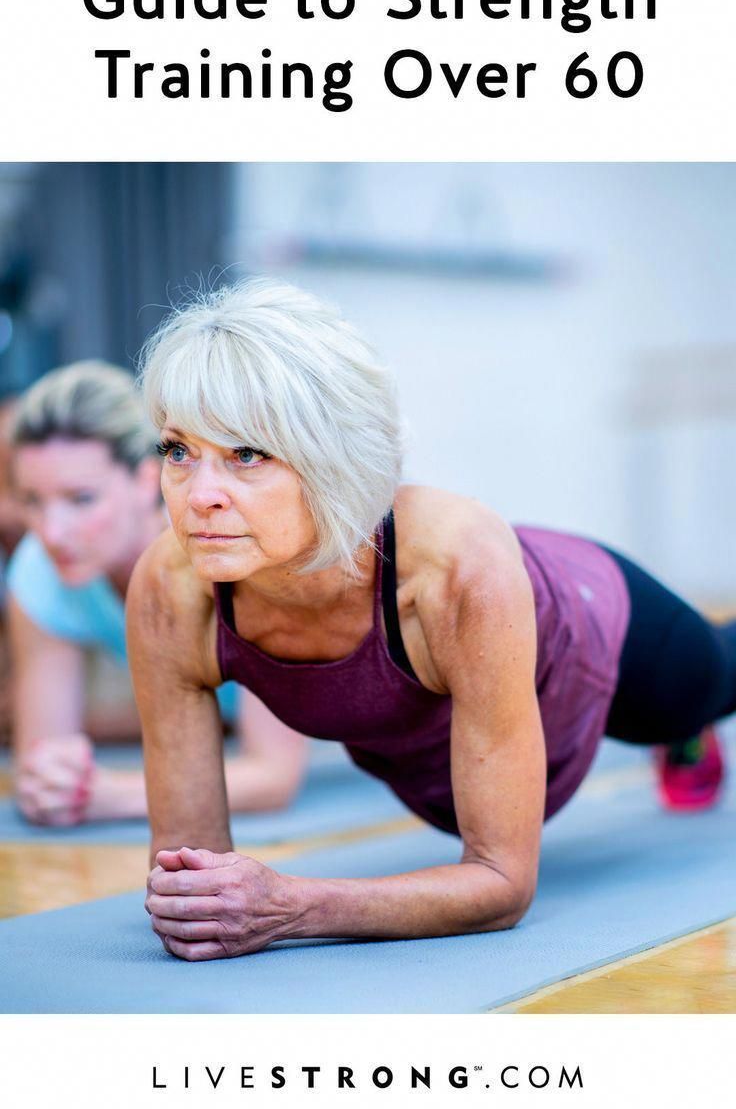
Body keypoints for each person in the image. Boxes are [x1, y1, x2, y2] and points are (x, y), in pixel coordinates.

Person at [131, 279, 735, 961]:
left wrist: (293, 906)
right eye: (178, 450)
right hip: (441, 723)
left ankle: (688, 731)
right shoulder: (172, 588)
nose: (198, 496)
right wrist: (210, 903)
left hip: (600, 630)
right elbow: (188, 884)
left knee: (709, 683)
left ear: (335, 462)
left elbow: (502, 882)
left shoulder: (456, 573)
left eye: (247, 454)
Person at [8, 360, 307, 825]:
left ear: (147, 481)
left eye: (80, 499)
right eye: (33, 500)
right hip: (212, 735)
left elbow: (273, 774)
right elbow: (43, 760)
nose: (52, 531)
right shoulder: (39, 567)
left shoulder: (223, 549)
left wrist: (112, 796)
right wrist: (53, 782)